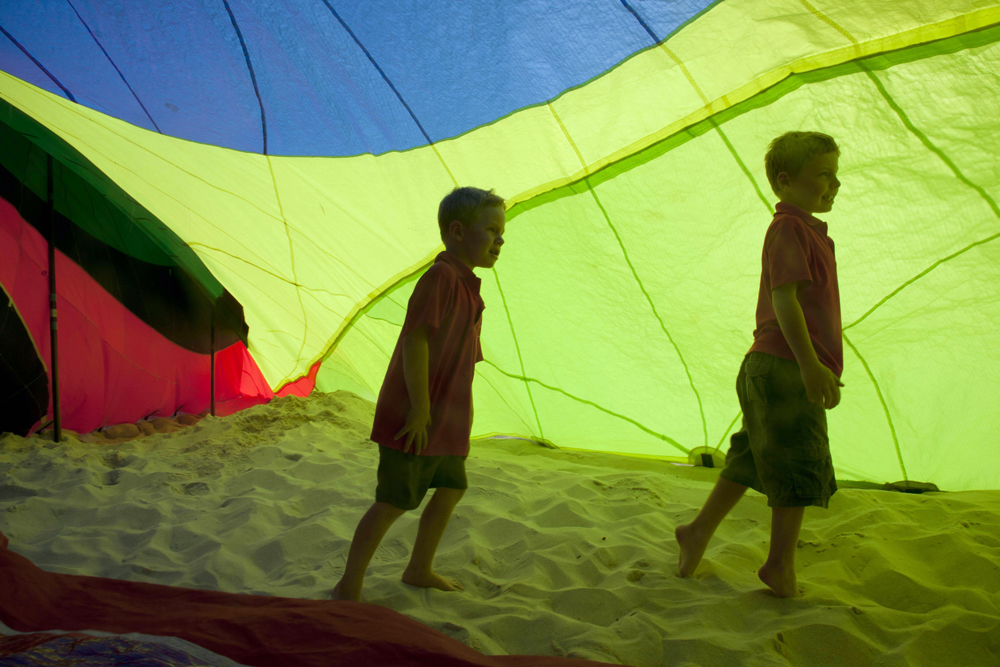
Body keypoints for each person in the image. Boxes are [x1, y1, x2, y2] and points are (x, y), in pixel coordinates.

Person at [675, 131, 845, 597]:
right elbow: (783, 298)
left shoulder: (808, 231)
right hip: (784, 367)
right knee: (798, 463)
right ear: (785, 182)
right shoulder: (789, 228)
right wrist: (810, 365)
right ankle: (779, 565)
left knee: (750, 458)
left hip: (769, 368)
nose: (834, 184)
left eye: (836, 174)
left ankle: (697, 532)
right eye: (823, 174)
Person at [332, 187, 506, 602]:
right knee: (394, 500)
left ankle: (419, 568)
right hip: (417, 415)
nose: (500, 240)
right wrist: (421, 408)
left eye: (502, 232)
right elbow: (416, 340)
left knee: (451, 488)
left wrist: (460, 414)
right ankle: (348, 586)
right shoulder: (440, 278)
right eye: (491, 230)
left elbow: (465, 362)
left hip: (447, 419)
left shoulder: (471, 289)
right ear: (458, 231)